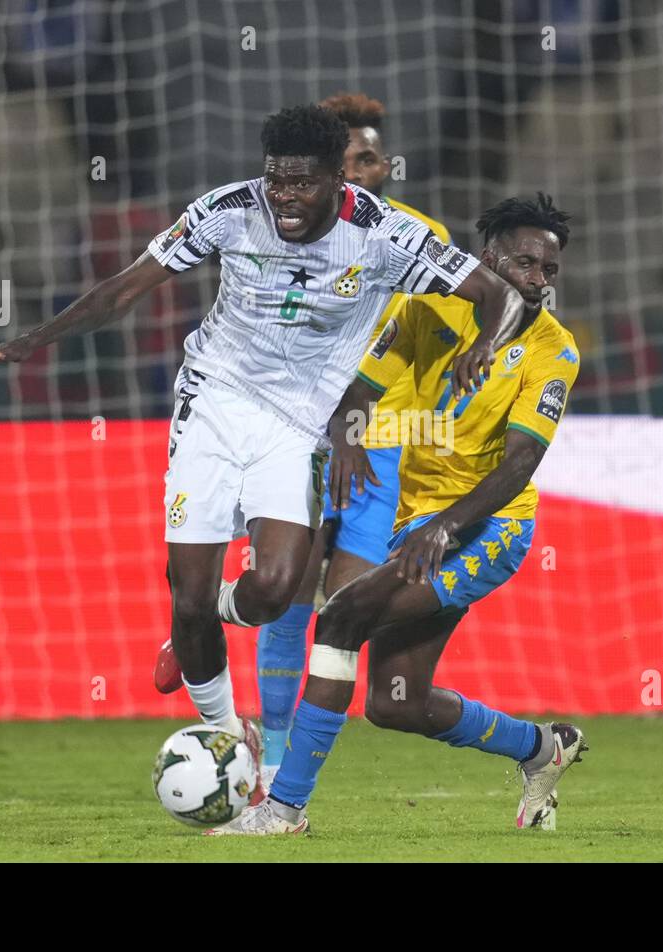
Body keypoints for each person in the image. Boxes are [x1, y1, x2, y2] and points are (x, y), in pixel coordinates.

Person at [0, 105, 525, 779]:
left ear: (335, 180)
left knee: (270, 592)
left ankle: (199, 623)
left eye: (302, 184)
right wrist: (30, 341)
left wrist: (486, 347)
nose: (284, 198)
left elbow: (492, 292)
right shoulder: (227, 211)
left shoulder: (384, 234)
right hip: (213, 404)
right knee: (191, 593)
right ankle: (231, 737)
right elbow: (124, 292)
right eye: (275, 181)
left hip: (295, 425)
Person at [208, 194, 584, 836]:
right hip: (419, 522)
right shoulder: (426, 308)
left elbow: (518, 465)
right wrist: (351, 442)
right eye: (525, 263)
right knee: (394, 702)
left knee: (341, 615)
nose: (539, 281)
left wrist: (446, 528)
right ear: (487, 260)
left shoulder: (556, 353)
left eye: (549, 271)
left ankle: (284, 808)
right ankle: (543, 748)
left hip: (490, 529)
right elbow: (358, 392)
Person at [231, 92, 455, 794]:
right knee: (287, 589)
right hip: (295, 437)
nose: (364, 166)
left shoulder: (421, 236)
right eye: (351, 157)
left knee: (344, 606)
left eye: (370, 156)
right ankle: (271, 758)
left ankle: (295, 775)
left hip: (381, 445)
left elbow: (442, 340)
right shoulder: (282, 236)